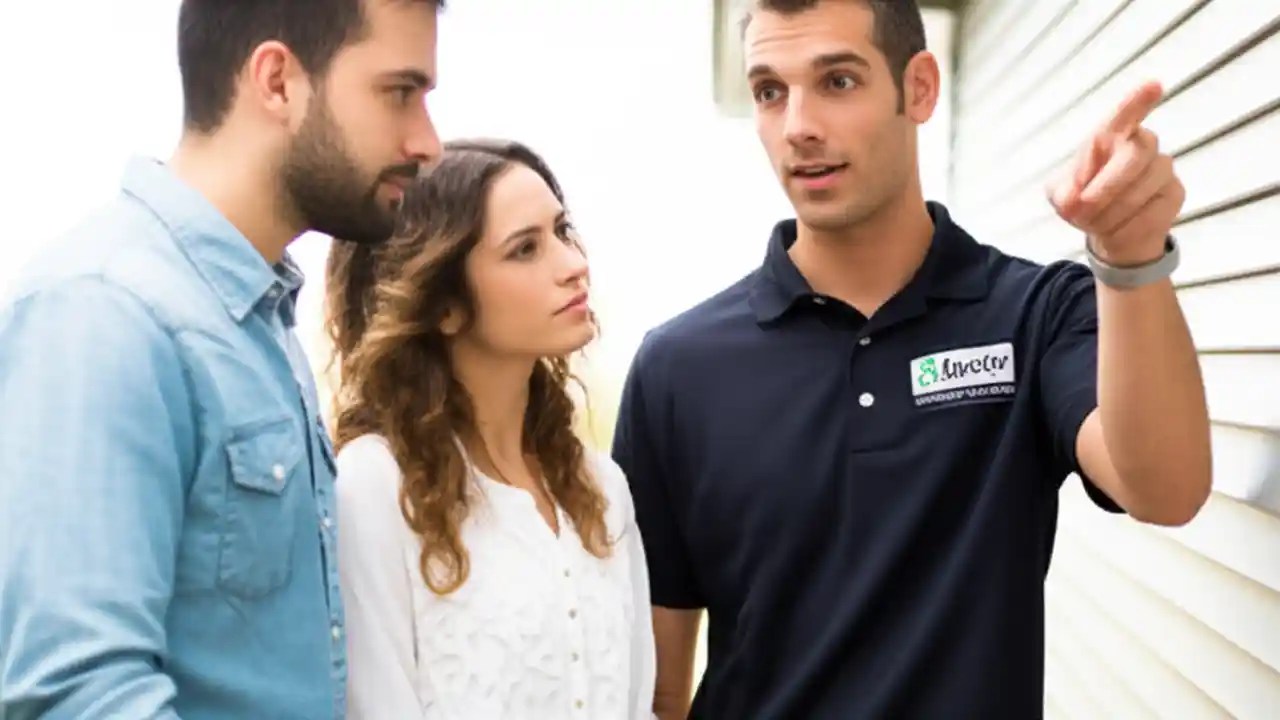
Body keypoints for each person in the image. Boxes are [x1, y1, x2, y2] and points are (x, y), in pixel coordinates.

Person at [611, 1, 1212, 718]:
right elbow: (658, 687)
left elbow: (1166, 490)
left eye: (837, 81)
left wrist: (1131, 259)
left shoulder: (1034, 315)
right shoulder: (677, 367)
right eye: (770, 90)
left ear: (920, 88)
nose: (797, 125)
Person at [0, 1, 444, 717]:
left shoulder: (259, 322)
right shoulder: (105, 311)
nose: (428, 142)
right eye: (399, 92)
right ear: (276, 82)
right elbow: (77, 694)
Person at [325, 137, 658, 719]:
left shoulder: (601, 489)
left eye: (562, 231)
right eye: (525, 249)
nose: (573, 265)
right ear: (443, 305)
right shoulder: (372, 486)